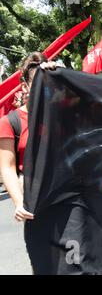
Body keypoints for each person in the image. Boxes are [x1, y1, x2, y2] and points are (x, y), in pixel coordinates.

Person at [0, 52, 57, 221]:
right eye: (38, 84)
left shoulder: (62, 113)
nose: (45, 89)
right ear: (25, 86)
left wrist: (63, 74)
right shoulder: (10, 122)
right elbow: (7, 167)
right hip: (34, 199)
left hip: (65, 193)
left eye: (49, 84)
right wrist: (19, 202)